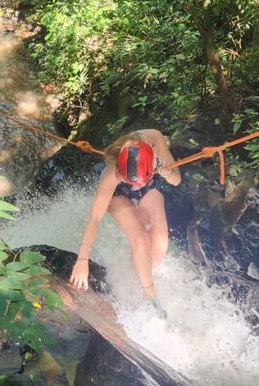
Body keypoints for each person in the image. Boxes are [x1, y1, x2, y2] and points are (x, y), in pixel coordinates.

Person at [70, 129, 181, 315]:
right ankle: (151, 295)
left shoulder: (155, 140)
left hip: (148, 180)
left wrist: (167, 173)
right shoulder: (112, 174)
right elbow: (94, 218)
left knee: (160, 245)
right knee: (139, 240)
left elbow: (176, 180)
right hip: (118, 193)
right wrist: (82, 260)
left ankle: (140, 269)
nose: (134, 185)